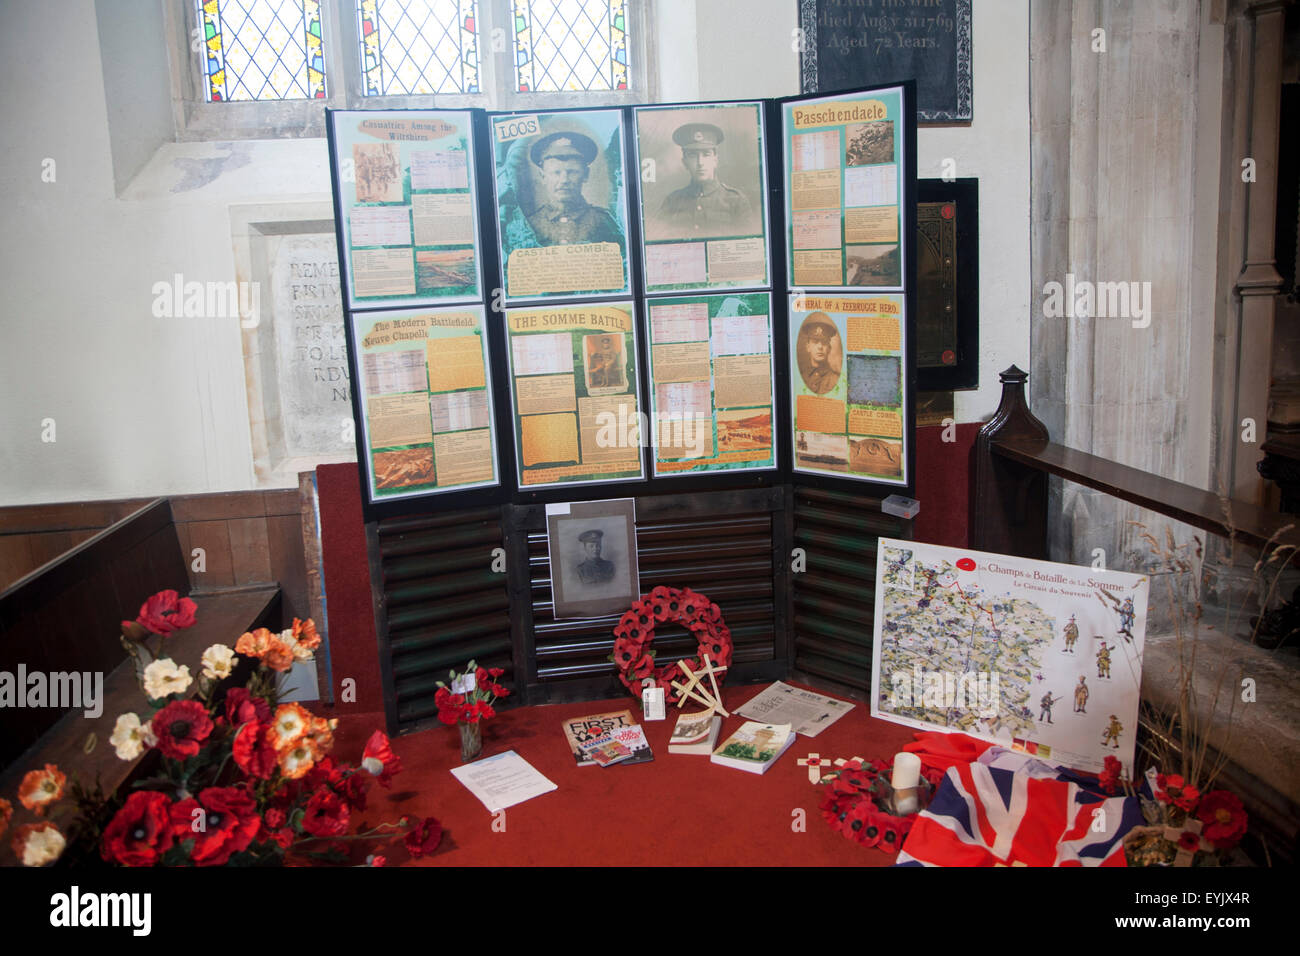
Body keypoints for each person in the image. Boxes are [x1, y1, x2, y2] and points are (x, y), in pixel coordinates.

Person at [523, 132, 624, 248]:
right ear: (543, 176)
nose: (564, 180)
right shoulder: (531, 225)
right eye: (556, 173)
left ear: (585, 174)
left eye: (572, 172)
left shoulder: (603, 222)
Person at [658, 123, 753, 237]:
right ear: (685, 162)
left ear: (715, 160)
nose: (700, 163)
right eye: (693, 155)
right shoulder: (672, 202)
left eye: (706, 154)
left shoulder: (737, 201)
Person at [799, 313, 840, 394]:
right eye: (815, 342)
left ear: (829, 348)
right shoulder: (801, 377)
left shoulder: (835, 380)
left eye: (824, 342)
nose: (820, 347)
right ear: (808, 347)